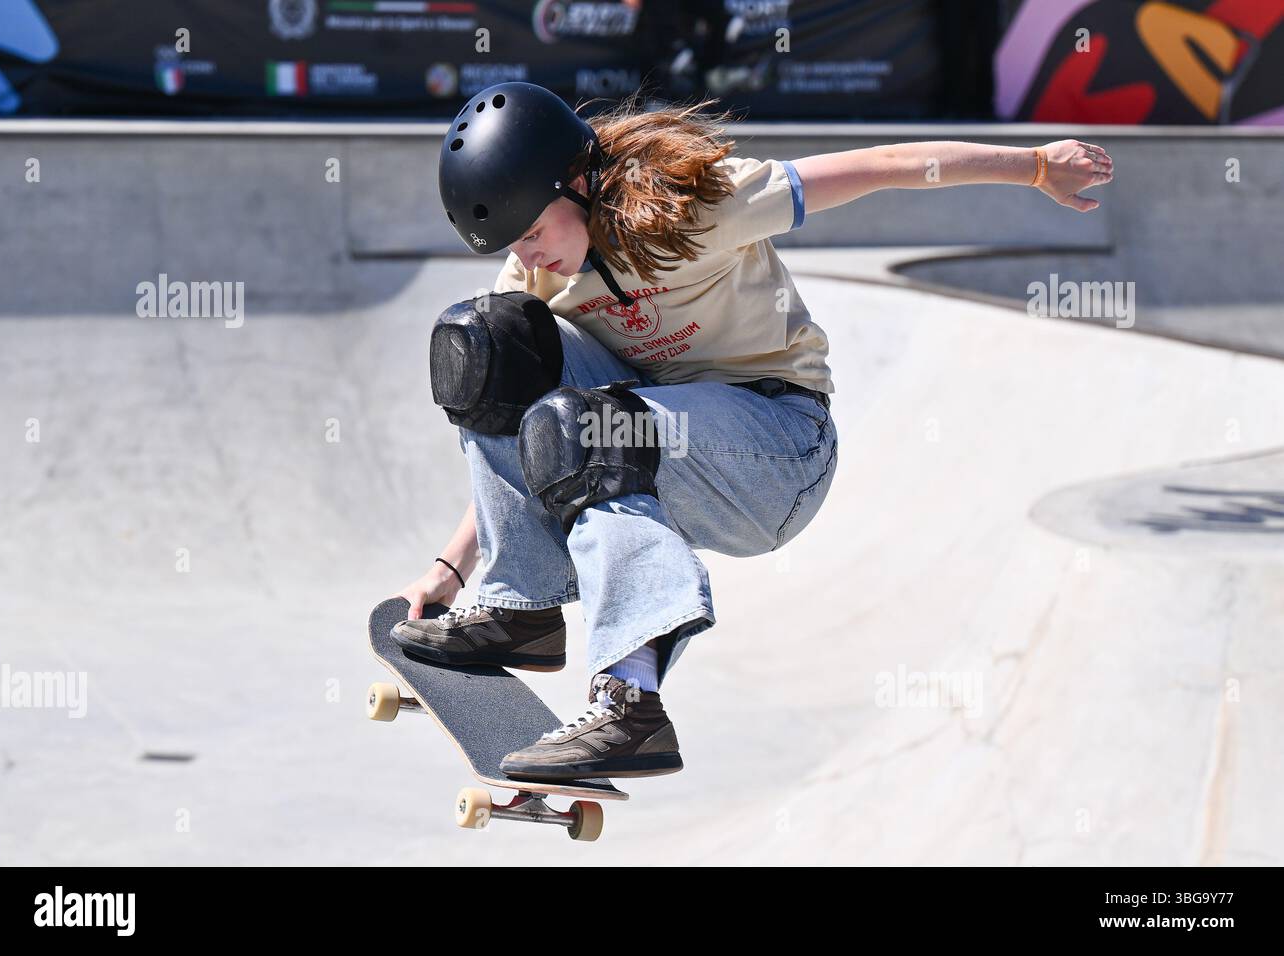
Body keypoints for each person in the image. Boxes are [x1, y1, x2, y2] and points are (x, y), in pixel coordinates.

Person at [394, 81, 1112, 783]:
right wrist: (457, 568)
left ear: (578, 181)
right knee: (488, 346)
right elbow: (513, 420)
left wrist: (1036, 166)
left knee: (598, 427)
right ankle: (522, 611)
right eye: (516, 243)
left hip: (777, 449)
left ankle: (630, 702)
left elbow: (883, 168)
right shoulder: (535, 272)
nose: (532, 254)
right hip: (658, 434)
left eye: (534, 232)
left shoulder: (699, 203)